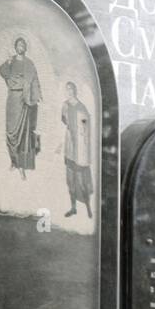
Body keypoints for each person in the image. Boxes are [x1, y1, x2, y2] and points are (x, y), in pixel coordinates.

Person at [0, 37, 41, 178]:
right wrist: (8, 62)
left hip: (25, 100)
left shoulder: (30, 64)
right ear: (15, 47)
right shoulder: (11, 61)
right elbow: (2, 71)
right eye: (18, 44)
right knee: (11, 131)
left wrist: (37, 95)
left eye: (23, 44)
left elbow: (35, 80)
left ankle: (21, 165)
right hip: (12, 99)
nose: (21, 46)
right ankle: (13, 161)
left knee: (23, 134)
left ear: (25, 47)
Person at [61, 82, 93, 218]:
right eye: (67, 89)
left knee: (81, 180)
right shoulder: (65, 105)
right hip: (70, 146)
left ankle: (88, 207)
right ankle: (73, 208)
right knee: (70, 180)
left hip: (79, 150)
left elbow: (85, 125)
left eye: (71, 89)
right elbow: (63, 120)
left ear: (75, 90)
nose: (69, 92)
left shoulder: (81, 107)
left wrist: (81, 133)